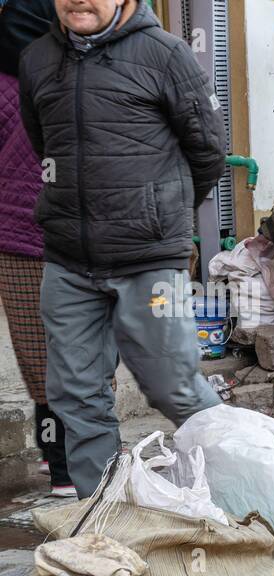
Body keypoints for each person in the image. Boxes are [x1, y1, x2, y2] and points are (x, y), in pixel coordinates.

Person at [18, 0, 225, 498]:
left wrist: (158, 213)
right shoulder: (37, 60)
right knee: (75, 395)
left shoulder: (167, 54)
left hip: (153, 263)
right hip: (68, 260)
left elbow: (209, 151)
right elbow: (42, 142)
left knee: (172, 385)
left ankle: (241, 490)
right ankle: (103, 518)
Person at [0, 0, 70, 496]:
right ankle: (70, 463)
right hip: (78, 232)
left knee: (36, 358)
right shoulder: (75, 79)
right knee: (82, 355)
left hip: (17, 236)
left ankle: (58, 459)